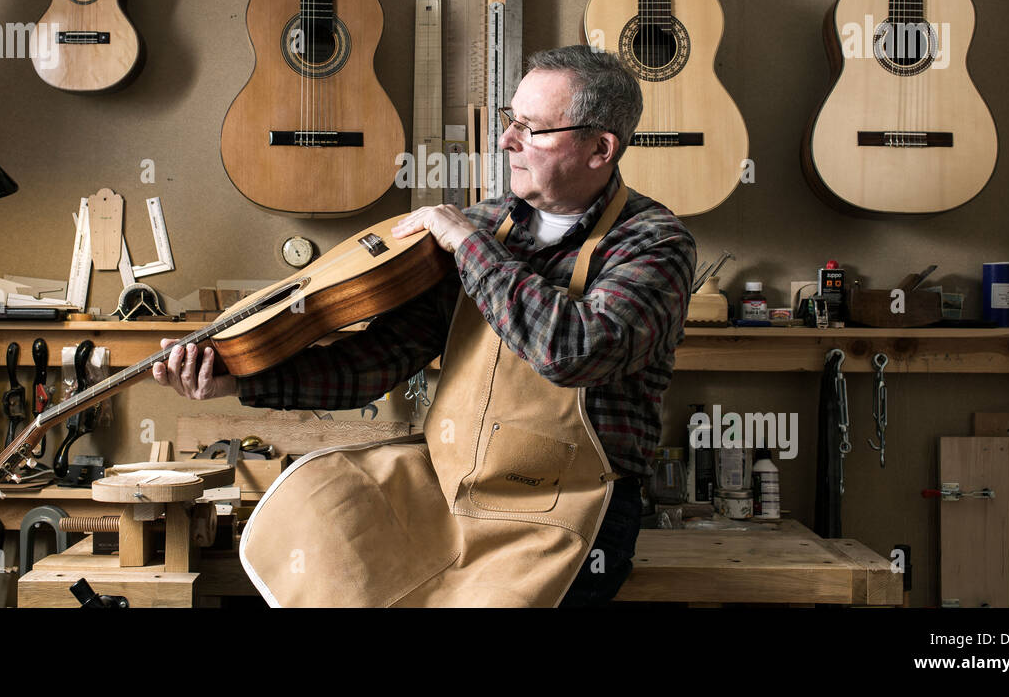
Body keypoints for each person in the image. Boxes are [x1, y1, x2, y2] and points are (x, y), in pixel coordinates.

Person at [154, 45, 695, 606]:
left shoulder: (654, 243)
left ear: (600, 148)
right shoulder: (484, 228)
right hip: (446, 489)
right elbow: (375, 362)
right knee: (321, 521)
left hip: (571, 514)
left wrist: (468, 245)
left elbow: (573, 351)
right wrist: (239, 378)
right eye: (512, 120)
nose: (507, 141)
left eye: (532, 129)